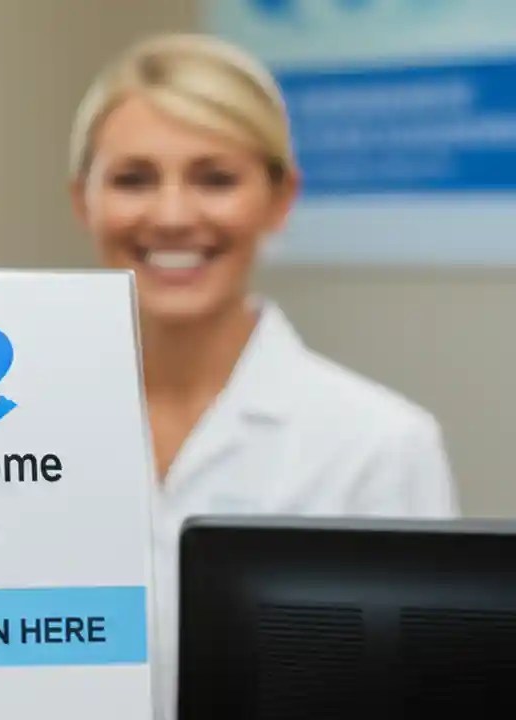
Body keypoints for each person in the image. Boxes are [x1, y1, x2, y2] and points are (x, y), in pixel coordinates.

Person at [66, 34, 458, 717]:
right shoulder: (12, 430)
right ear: (84, 200)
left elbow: (426, 693)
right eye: (134, 178)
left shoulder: (380, 445)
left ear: (280, 198)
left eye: (215, 178)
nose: (173, 214)